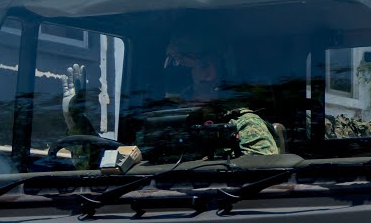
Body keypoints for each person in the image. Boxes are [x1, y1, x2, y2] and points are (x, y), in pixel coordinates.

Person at [116, 28, 278, 169]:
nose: (209, 74)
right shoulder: (160, 124)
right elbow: (134, 170)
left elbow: (262, 179)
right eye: (199, 66)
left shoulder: (243, 124)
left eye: (208, 64)